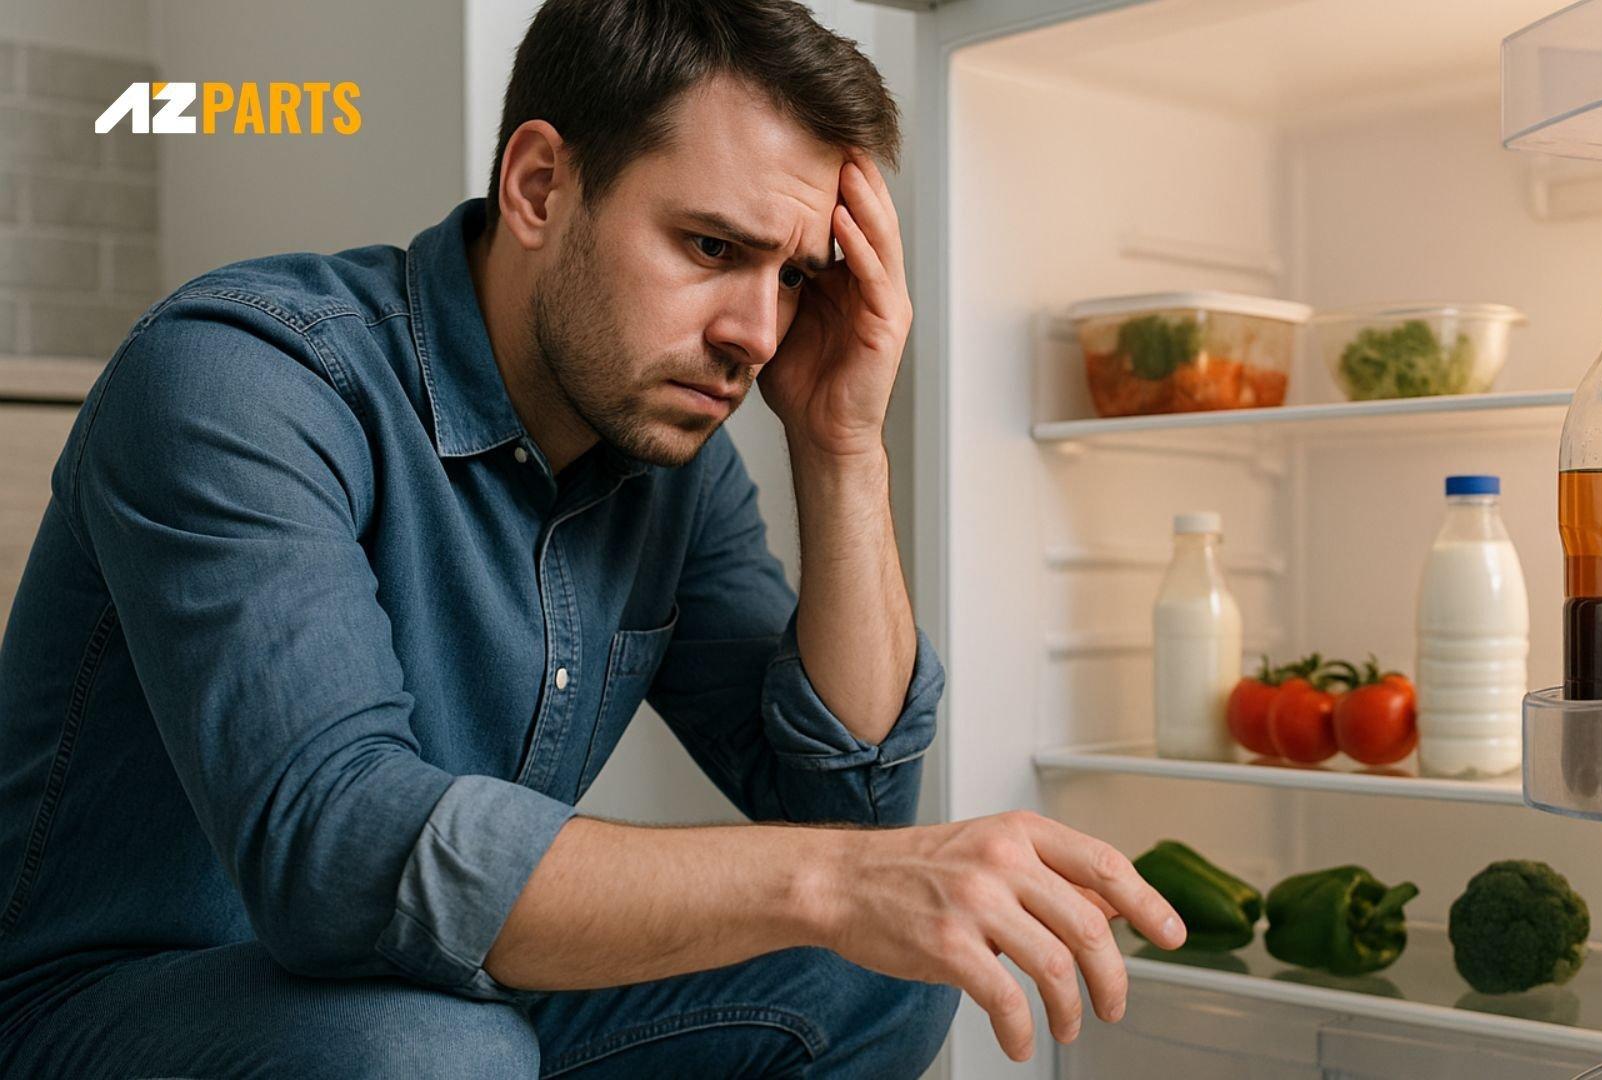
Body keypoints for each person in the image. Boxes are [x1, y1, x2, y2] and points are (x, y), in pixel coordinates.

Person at [0, 1, 1186, 1076]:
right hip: (100, 1012)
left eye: (795, 277)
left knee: (884, 971)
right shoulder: (242, 379)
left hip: (439, 993)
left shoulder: (673, 465)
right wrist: (840, 881)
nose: (758, 333)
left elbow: (847, 812)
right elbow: (338, 852)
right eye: (713, 248)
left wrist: (843, 447)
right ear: (538, 187)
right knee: (431, 1051)